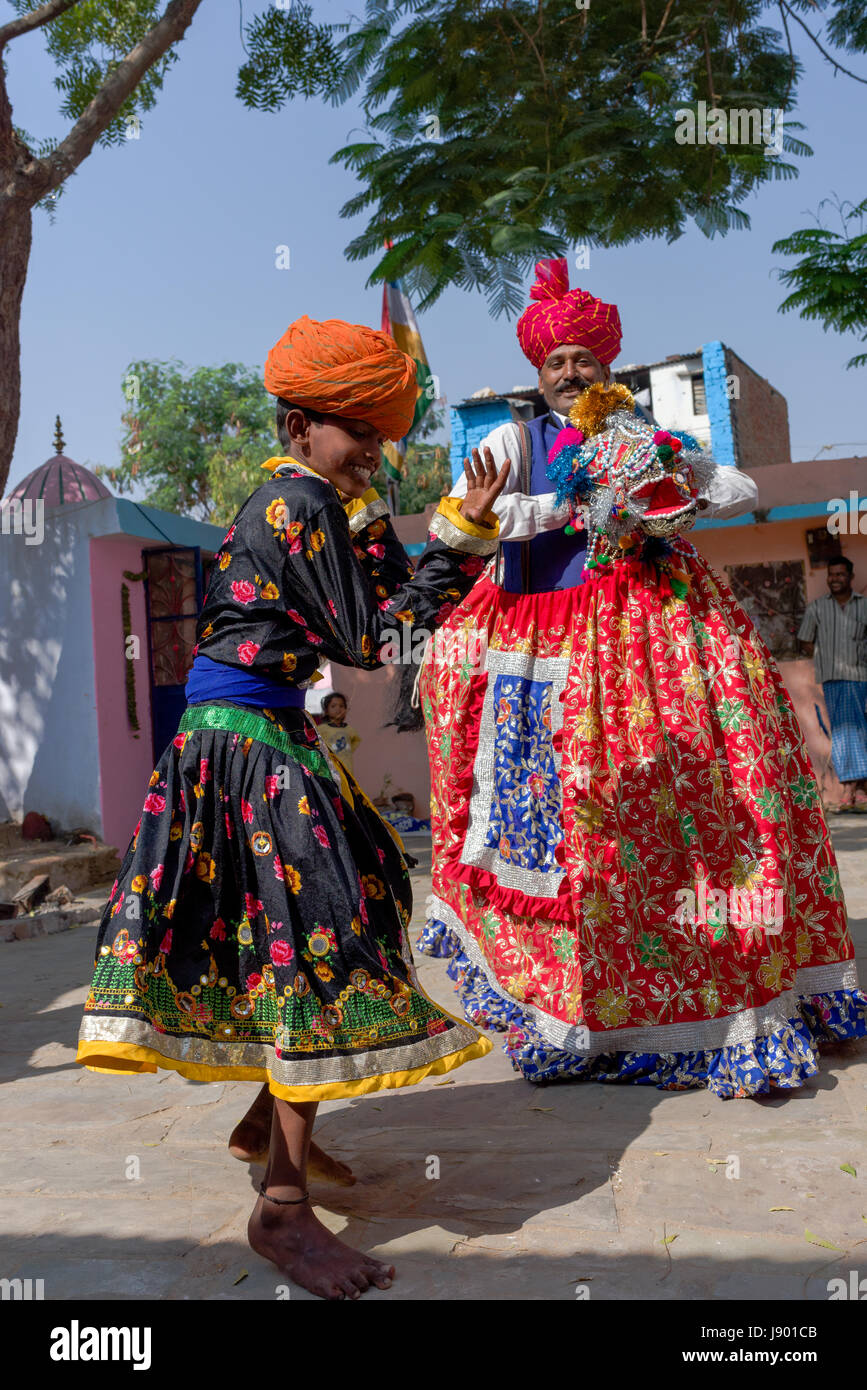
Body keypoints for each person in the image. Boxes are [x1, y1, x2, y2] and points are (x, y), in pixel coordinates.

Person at [77, 314, 507, 1300]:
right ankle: (279, 1210)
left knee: (321, 916)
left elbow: (386, 611)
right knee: (322, 934)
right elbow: (375, 644)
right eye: (360, 428)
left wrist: (417, 526)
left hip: (249, 739)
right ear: (302, 421)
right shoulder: (294, 502)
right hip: (249, 744)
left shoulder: (307, 500)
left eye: (382, 431)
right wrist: (455, 534)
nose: (375, 448)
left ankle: (267, 1125)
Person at [419, 259, 866, 1099]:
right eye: (555, 361)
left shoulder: (648, 434)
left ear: (608, 365)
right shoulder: (513, 443)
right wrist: (573, 505)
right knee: (580, 836)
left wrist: (664, 493)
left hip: (662, 637)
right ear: (535, 373)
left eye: (583, 357)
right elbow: (460, 521)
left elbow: (736, 486)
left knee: (703, 803)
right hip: (550, 652)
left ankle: (721, 1002)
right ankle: (574, 1020)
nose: (570, 371)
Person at [798, 556, 867, 809]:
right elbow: (805, 640)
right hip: (831, 679)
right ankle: (855, 789)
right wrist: (825, 652)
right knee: (844, 732)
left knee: (855, 731)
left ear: (850, 577)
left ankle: (852, 790)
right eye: (831, 574)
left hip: (861, 678)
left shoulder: (864, 606)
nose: (834, 579)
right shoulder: (817, 608)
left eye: (840, 574)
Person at [318, 691, 361, 774]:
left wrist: (346, 751)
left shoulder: (349, 729)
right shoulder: (322, 729)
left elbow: (356, 740)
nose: (338, 709)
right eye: (333, 706)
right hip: (331, 771)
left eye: (341, 706)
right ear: (326, 711)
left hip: (348, 770)